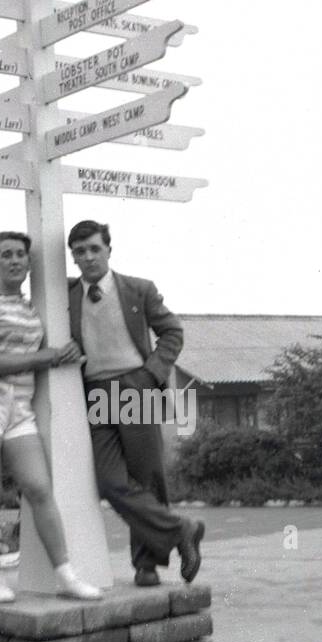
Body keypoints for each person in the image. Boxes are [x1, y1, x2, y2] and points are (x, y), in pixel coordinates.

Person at [0, 231, 102, 603]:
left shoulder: (33, 307)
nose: (15, 261)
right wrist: (44, 357)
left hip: (20, 406)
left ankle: (66, 574)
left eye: (20, 255)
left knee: (38, 488)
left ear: (29, 264)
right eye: (6, 255)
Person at [67, 219, 204, 586]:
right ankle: (182, 529)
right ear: (74, 258)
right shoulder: (65, 296)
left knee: (147, 476)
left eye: (95, 248)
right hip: (94, 391)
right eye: (80, 252)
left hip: (134, 385)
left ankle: (146, 565)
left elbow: (172, 331)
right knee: (109, 481)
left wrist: (150, 374)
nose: (88, 256)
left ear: (109, 250)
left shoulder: (138, 290)